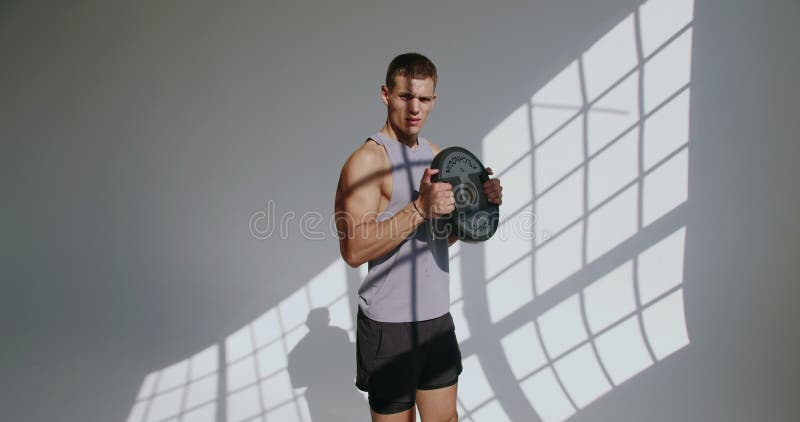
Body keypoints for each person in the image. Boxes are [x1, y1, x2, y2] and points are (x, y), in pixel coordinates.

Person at [335, 52, 503, 422]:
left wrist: (480, 204)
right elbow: (353, 250)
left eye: (424, 99)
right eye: (405, 96)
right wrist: (419, 208)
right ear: (385, 95)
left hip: (436, 317)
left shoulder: (438, 156)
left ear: (433, 100)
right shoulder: (367, 161)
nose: (415, 108)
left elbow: (442, 237)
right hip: (389, 325)